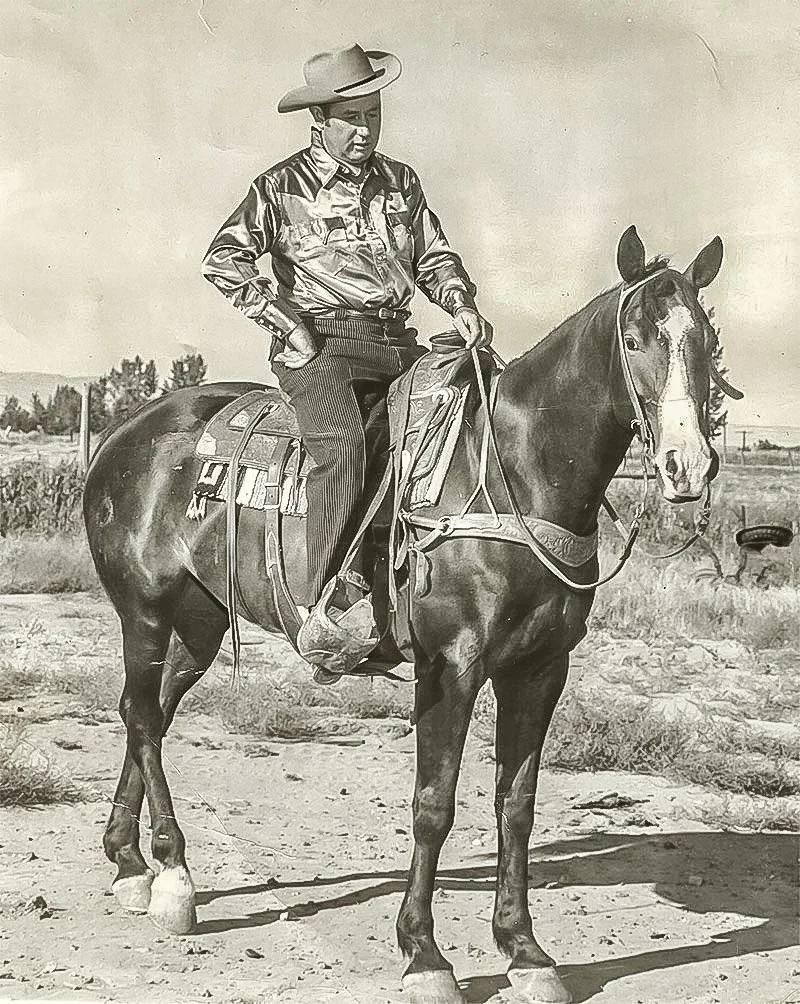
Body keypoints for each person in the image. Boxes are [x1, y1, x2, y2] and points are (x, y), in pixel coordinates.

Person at [202, 42, 492, 607]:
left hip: (396, 341)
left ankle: (424, 588)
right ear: (320, 119)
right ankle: (327, 601)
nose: (365, 131)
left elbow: (432, 256)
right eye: (352, 119)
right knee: (344, 449)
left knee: (472, 417)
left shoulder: (401, 182)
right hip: (321, 346)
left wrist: (459, 303)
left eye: (374, 116)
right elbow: (223, 259)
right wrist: (288, 325)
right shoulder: (279, 187)